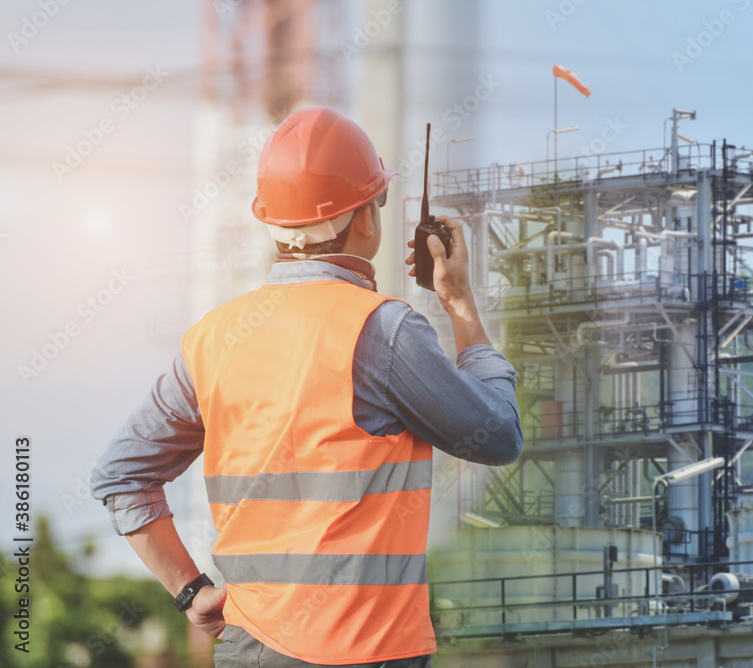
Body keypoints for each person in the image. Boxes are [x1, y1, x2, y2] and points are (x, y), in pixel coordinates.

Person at [91, 106, 523, 667]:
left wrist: (191, 592)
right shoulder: (383, 329)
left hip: (248, 649)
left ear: (270, 221)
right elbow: (499, 435)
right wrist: (459, 302)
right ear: (363, 218)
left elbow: (121, 475)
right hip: (363, 651)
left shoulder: (210, 339)